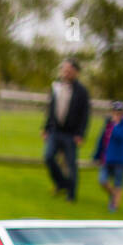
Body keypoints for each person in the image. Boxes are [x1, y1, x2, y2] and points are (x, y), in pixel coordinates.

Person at [42, 58, 90, 202]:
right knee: (49, 157)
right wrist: (45, 128)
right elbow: (51, 109)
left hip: (71, 134)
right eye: (64, 69)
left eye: (68, 70)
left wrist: (80, 134)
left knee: (70, 164)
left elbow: (85, 115)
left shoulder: (82, 92)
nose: (65, 72)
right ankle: (61, 183)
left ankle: (71, 194)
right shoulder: (55, 86)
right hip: (55, 131)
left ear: (76, 72)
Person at [93, 101, 123, 212]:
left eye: (119, 112)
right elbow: (102, 139)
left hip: (120, 159)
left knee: (118, 183)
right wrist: (97, 154)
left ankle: (114, 205)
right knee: (102, 180)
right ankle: (114, 195)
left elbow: (122, 136)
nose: (117, 115)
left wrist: (116, 124)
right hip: (107, 158)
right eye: (115, 112)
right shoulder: (108, 123)